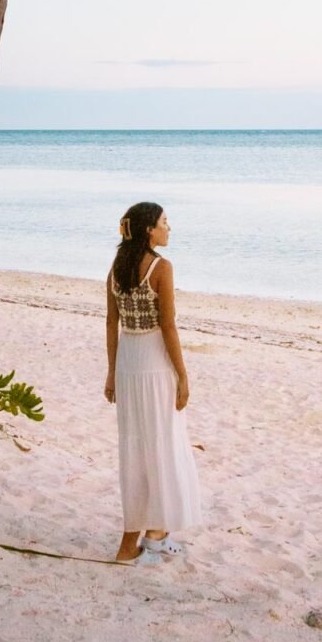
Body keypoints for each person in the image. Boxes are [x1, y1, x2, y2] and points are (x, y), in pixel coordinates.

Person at [104, 202, 202, 564]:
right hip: (155, 364)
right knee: (162, 444)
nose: (169, 228)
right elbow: (168, 325)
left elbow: (111, 323)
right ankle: (155, 535)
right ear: (149, 230)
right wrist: (183, 374)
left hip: (129, 364)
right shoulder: (161, 268)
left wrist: (112, 372)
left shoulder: (116, 268)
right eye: (164, 222)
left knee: (135, 449)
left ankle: (134, 541)